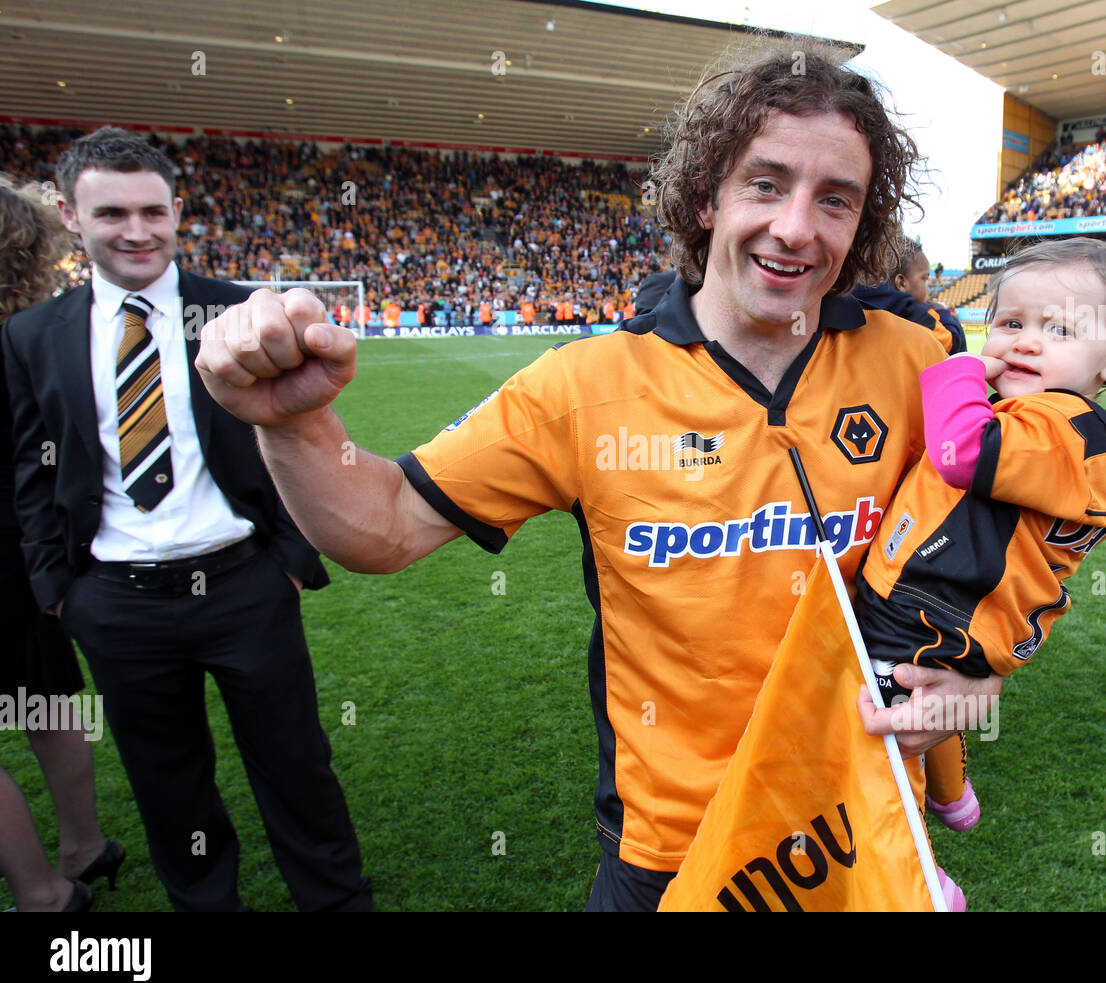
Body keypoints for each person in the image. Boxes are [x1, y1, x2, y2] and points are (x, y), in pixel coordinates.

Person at [196, 39, 1001, 912]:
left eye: (834, 200)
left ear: (860, 224)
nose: (797, 226)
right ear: (705, 196)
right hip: (672, 848)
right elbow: (381, 524)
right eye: (765, 184)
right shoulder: (584, 386)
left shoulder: (920, 359)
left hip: (868, 819)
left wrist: (982, 674)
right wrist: (292, 422)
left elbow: (1013, 540)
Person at [1, 128, 371, 912]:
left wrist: (292, 562)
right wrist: (59, 589)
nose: (136, 231)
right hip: (115, 601)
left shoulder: (240, 312)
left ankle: (337, 902)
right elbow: (32, 469)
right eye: (111, 214)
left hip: (247, 586)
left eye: (152, 210)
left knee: (296, 764)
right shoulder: (33, 335)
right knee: (167, 783)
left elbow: (302, 441)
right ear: (71, 215)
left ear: (178, 211)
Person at [854, 236, 1106, 835]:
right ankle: (951, 801)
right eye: (1011, 322)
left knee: (874, 743)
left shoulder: (1064, 427)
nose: (1024, 341)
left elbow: (959, 450)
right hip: (936, 612)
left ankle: (910, 876)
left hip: (929, 616)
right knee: (906, 725)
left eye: (1061, 330)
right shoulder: (1047, 420)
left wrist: (960, 370)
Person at [0, 179, 118, 913]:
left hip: (20, 537)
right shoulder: (43, 333)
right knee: (44, 700)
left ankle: (43, 892)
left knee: (42, 702)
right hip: (33, 546)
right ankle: (83, 846)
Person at [850, 236, 965, 354]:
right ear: (901, 282)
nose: (927, 287)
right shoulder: (912, 311)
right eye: (924, 279)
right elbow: (952, 343)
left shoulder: (852, 299)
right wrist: (943, 313)